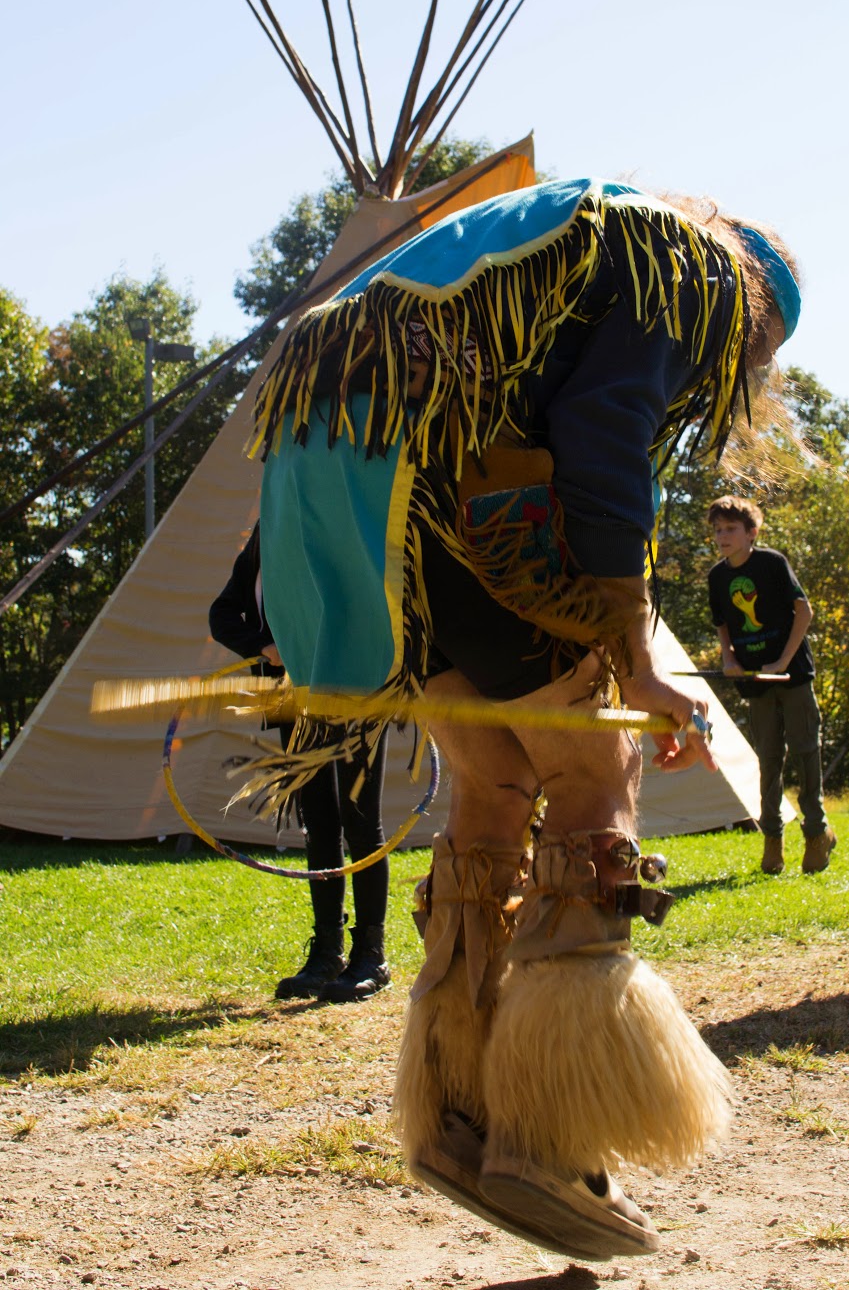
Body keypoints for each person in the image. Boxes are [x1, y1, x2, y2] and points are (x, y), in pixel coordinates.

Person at [251, 176, 802, 1259]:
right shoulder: (686, 271)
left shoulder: (562, 233)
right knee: (596, 785)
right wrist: (632, 654)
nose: (736, 365)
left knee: (493, 791)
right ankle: (544, 1143)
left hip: (366, 517)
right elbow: (602, 444)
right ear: (758, 304)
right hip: (466, 501)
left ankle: (454, 1112)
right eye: (757, 348)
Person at [209, 522, 391, 1002]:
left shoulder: (338, 513)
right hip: (293, 694)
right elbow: (222, 613)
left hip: (355, 687)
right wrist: (262, 646)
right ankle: (327, 951)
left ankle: (372, 954)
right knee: (320, 821)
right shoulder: (265, 538)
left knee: (360, 821)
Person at [707, 496, 834, 874]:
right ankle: (773, 840)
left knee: (805, 751)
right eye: (717, 530)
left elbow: (804, 611)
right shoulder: (717, 577)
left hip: (791, 675)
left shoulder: (772, 563)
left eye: (730, 529)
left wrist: (782, 660)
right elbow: (722, 624)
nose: (722, 536)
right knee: (768, 760)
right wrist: (729, 660)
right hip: (754, 682)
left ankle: (816, 832)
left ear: (751, 533)